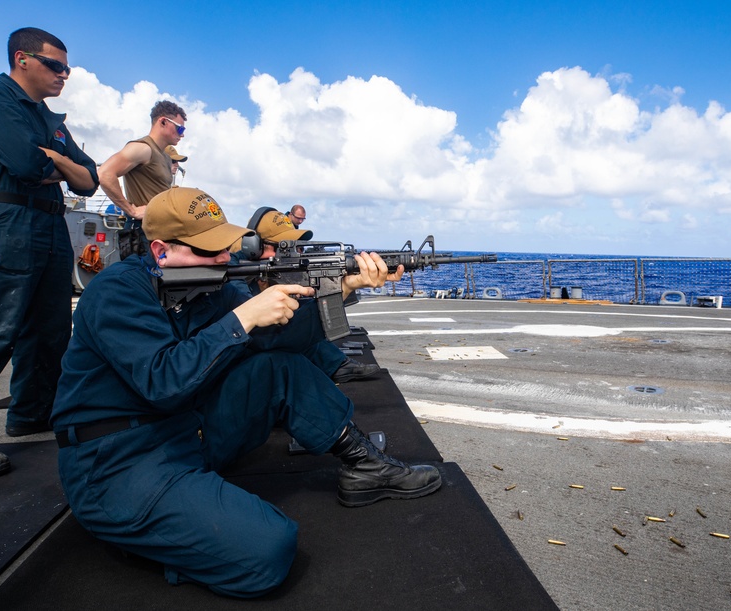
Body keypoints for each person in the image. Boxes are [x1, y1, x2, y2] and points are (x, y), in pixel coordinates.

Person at [51, 186, 441, 597]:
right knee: (268, 549)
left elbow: (282, 340)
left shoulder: (211, 284)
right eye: (208, 250)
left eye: (224, 245)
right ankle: (148, 539)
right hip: (117, 461)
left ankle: (365, 466)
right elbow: (161, 382)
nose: (223, 258)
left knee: (280, 367)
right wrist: (242, 319)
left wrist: (344, 288)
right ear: (161, 250)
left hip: (186, 430)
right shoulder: (117, 291)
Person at [0, 27, 98, 480]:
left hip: (47, 223)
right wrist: (55, 164)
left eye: (67, 67)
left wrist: (61, 162)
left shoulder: (48, 118)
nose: (64, 74)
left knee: (49, 331)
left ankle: (31, 412)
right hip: (2, 222)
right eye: (55, 65)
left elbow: (88, 178)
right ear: (22, 59)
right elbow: (29, 164)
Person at [234, 207, 380, 383]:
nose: (295, 254)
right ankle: (333, 364)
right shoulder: (235, 274)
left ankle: (334, 363)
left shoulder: (265, 273)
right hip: (246, 364)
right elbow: (264, 336)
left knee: (300, 313)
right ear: (254, 248)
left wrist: (343, 284)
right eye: (282, 248)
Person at [98, 100, 187, 254]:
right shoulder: (143, 148)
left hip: (159, 231)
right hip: (142, 231)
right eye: (179, 129)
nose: (182, 134)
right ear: (164, 122)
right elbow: (105, 173)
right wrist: (130, 210)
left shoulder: (165, 156)